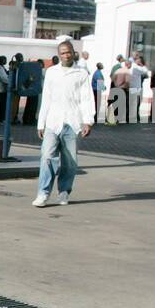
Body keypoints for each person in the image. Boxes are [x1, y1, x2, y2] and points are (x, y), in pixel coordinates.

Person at [33, 39, 94, 208]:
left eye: (68, 52)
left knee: (69, 161)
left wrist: (88, 121)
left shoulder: (82, 73)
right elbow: (46, 98)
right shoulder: (51, 72)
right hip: (53, 121)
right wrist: (41, 123)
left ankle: (64, 192)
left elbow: (87, 99)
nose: (66, 55)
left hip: (72, 122)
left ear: (73, 52)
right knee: (46, 156)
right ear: (58, 55)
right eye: (63, 53)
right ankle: (43, 193)